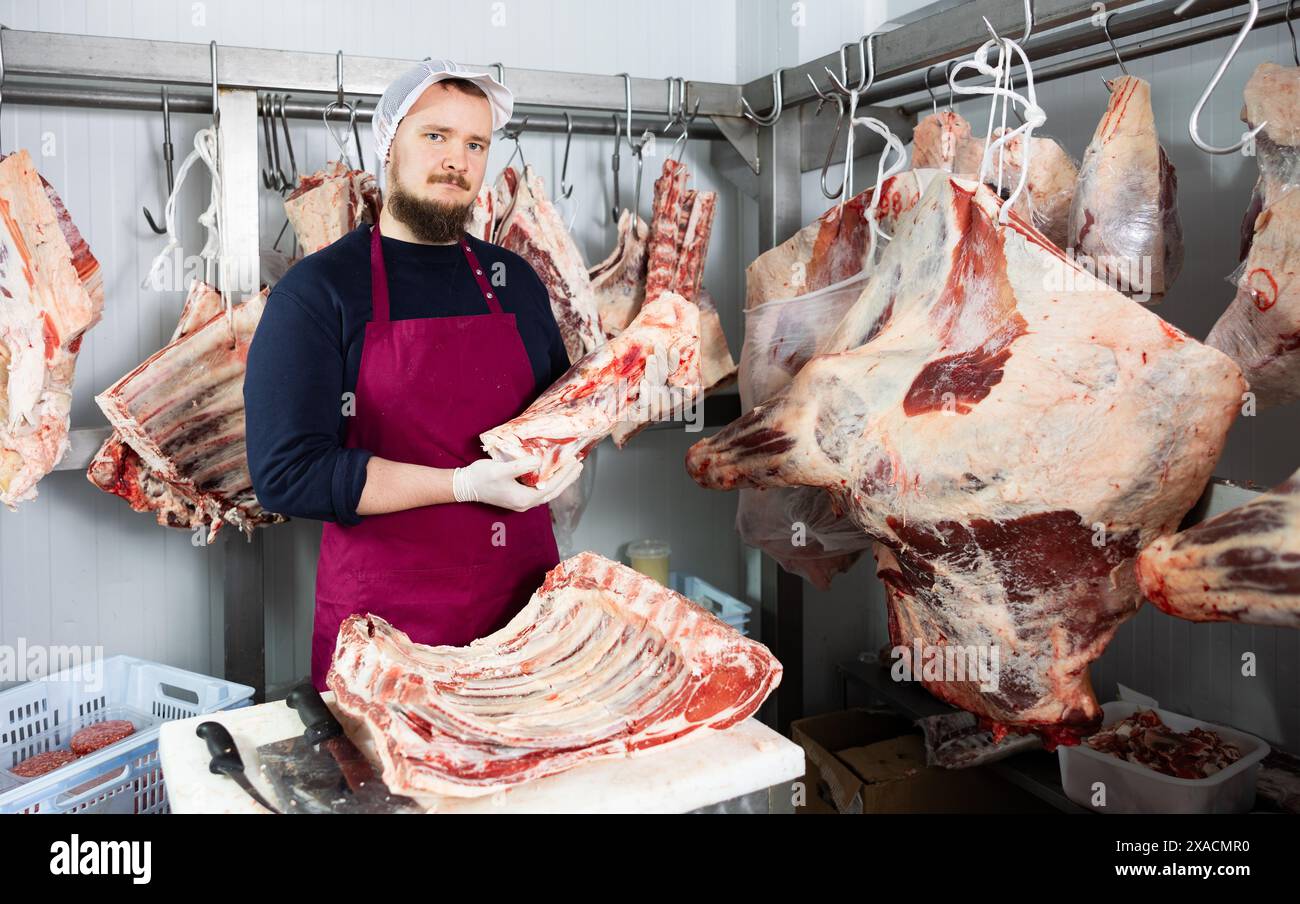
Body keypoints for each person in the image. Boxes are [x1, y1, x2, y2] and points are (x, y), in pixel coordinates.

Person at [245, 60, 616, 690]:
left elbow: (562, 413)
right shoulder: (320, 291)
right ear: (388, 145)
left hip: (523, 618)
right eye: (435, 136)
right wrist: (464, 486)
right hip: (385, 633)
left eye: (475, 144)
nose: (458, 160)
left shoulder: (514, 281)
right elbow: (287, 476)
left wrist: (613, 402)